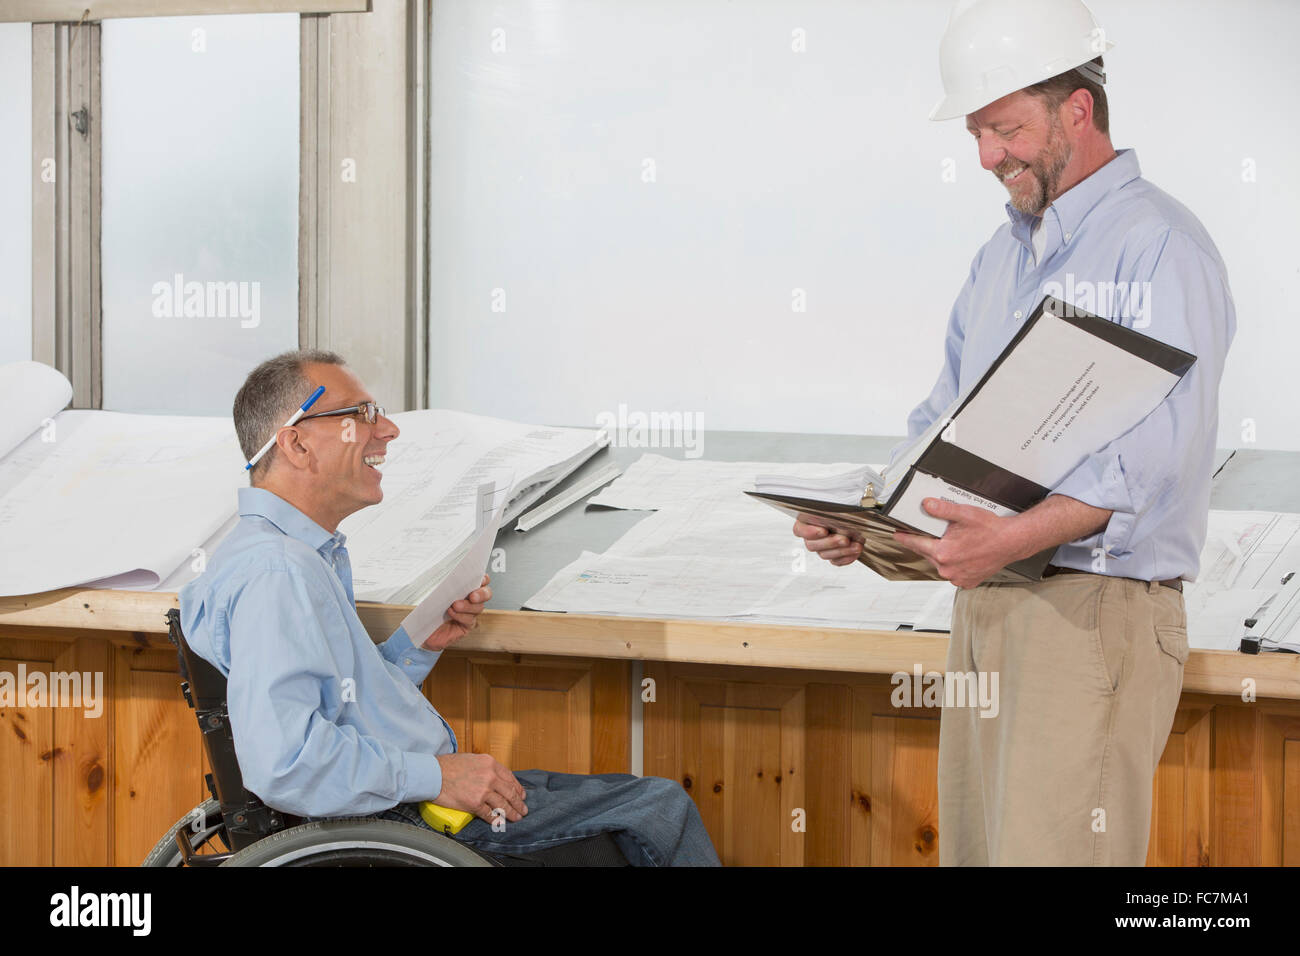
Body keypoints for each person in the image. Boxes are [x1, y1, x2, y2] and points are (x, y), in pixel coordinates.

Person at [795, 0, 1234, 865]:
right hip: (990, 605)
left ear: (1079, 108)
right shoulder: (1001, 259)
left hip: (1090, 612)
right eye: (977, 135)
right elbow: (942, 425)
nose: (990, 157)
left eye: (1007, 128)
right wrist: (875, 522)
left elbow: (1155, 461)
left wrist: (1014, 539)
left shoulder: (1158, 248)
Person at [179, 349, 719, 866]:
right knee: (658, 811)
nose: (386, 430)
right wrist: (440, 777)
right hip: (401, 820)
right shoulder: (278, 574)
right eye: (362, 414)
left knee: (637, 797)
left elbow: (340, 709)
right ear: (296, 444)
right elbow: (287, 763)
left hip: (405, 802)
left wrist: (414, 646)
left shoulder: (285, 556)